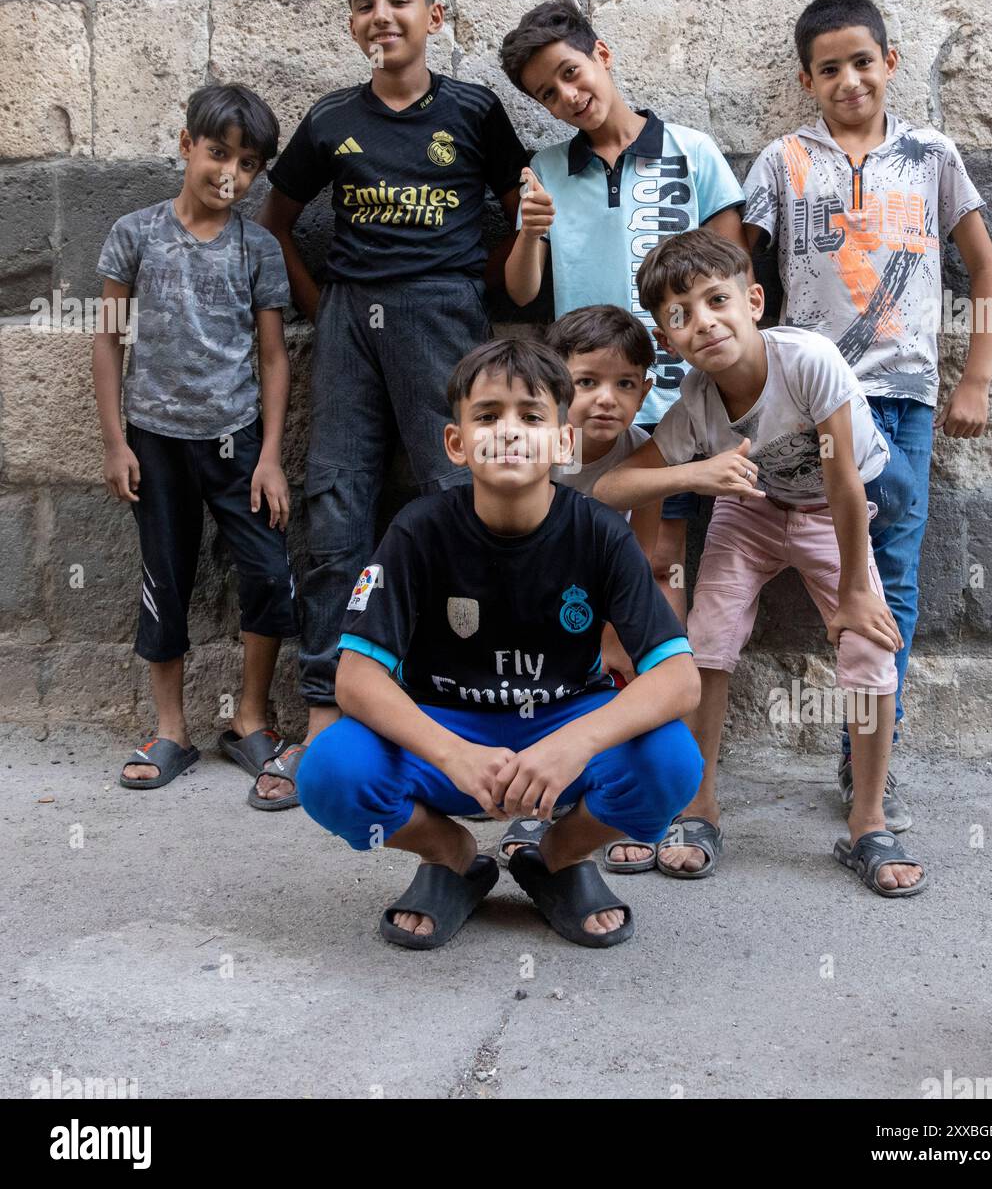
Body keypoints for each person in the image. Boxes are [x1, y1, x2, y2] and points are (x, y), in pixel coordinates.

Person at [295, 338, 702, 949]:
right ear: (457, 444)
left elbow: (679, 680)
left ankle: (557, 857)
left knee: (672, 764)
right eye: (487, 415)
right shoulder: (418, 531)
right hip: (446, 728)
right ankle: (452, 857)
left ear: (564, 443)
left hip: (563, 724)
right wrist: (455, 754)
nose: (509, 432)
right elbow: (355, 678)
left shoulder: (598, 533)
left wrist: (575, 742)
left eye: (532, 417)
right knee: (330, 770)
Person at [259, 0, 530, 805]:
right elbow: (277, 219)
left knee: (459, 492)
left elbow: (523, 210)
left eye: (400, 1)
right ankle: (324, 712)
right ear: (351, 24)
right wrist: (322, 302)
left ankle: (456, 698)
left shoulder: (475, 111)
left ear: (434, 17)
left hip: (441, 318)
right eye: (366, 3)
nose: (383, 16)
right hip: (348, 319)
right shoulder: (331, 119)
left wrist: (465, 289)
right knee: (337, 498)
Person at [595, 228, 929, 896]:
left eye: (717, 300)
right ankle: (699, 808)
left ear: (753, 300)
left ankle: (868, 823)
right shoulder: (695, 404)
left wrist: (858, 593)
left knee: (869, 643)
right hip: (751, 509)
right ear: (666, 341)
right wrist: (694, 476)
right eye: (679, 315)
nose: (703, 322)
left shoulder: (808, 360)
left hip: (843, 507)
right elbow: (611, 486)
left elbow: (843, 484)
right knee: (707, 642)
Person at [742, 0, 992, 830]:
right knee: (816, 572)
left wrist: (976, 380)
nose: (850, 79)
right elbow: (742, 284)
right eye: (830, 69)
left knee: (888, 582)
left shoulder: (931, 155)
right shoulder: (781, 162)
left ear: (890, 63)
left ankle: (866, 771)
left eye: (863, 61)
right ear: (807, 80)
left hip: (904, 403)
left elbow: (986, 273)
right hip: (812, 406)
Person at [499, 0, 747, 624]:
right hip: (584, 408)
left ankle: (655, 691)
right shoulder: (547, 168)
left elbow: (732, 278)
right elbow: (523, 292)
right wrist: (529, 232)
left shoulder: (694, 153)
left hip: (678, 397)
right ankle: (591, 696)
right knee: (574, 560)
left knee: (662, 558)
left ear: (600, 55)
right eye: (547, 95)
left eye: (570, 72)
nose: (567, 95)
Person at [93, 84, 300, 806]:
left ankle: (249, 719)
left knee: (270, 572)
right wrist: (117, 442)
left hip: (236, 440)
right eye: (217, 154)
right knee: (165, 577)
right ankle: (172, 729)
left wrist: (270, 453)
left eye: (247, 165)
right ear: (186, 145)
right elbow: (108, 339)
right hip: (154, 441)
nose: (229, 176)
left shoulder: (258, 247)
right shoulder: (134, 233)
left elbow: (275, 356)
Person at [543, 303, 666, 875]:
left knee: (634, 682)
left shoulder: (641, 450)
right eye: (586, 382)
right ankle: (537, 800)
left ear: (644, 391)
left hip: (605, 607)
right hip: (530, 602)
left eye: (623, 384)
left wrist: (615, 639)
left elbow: (642, 560)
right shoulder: (541, 451)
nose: (605, 399)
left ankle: (624, 805)